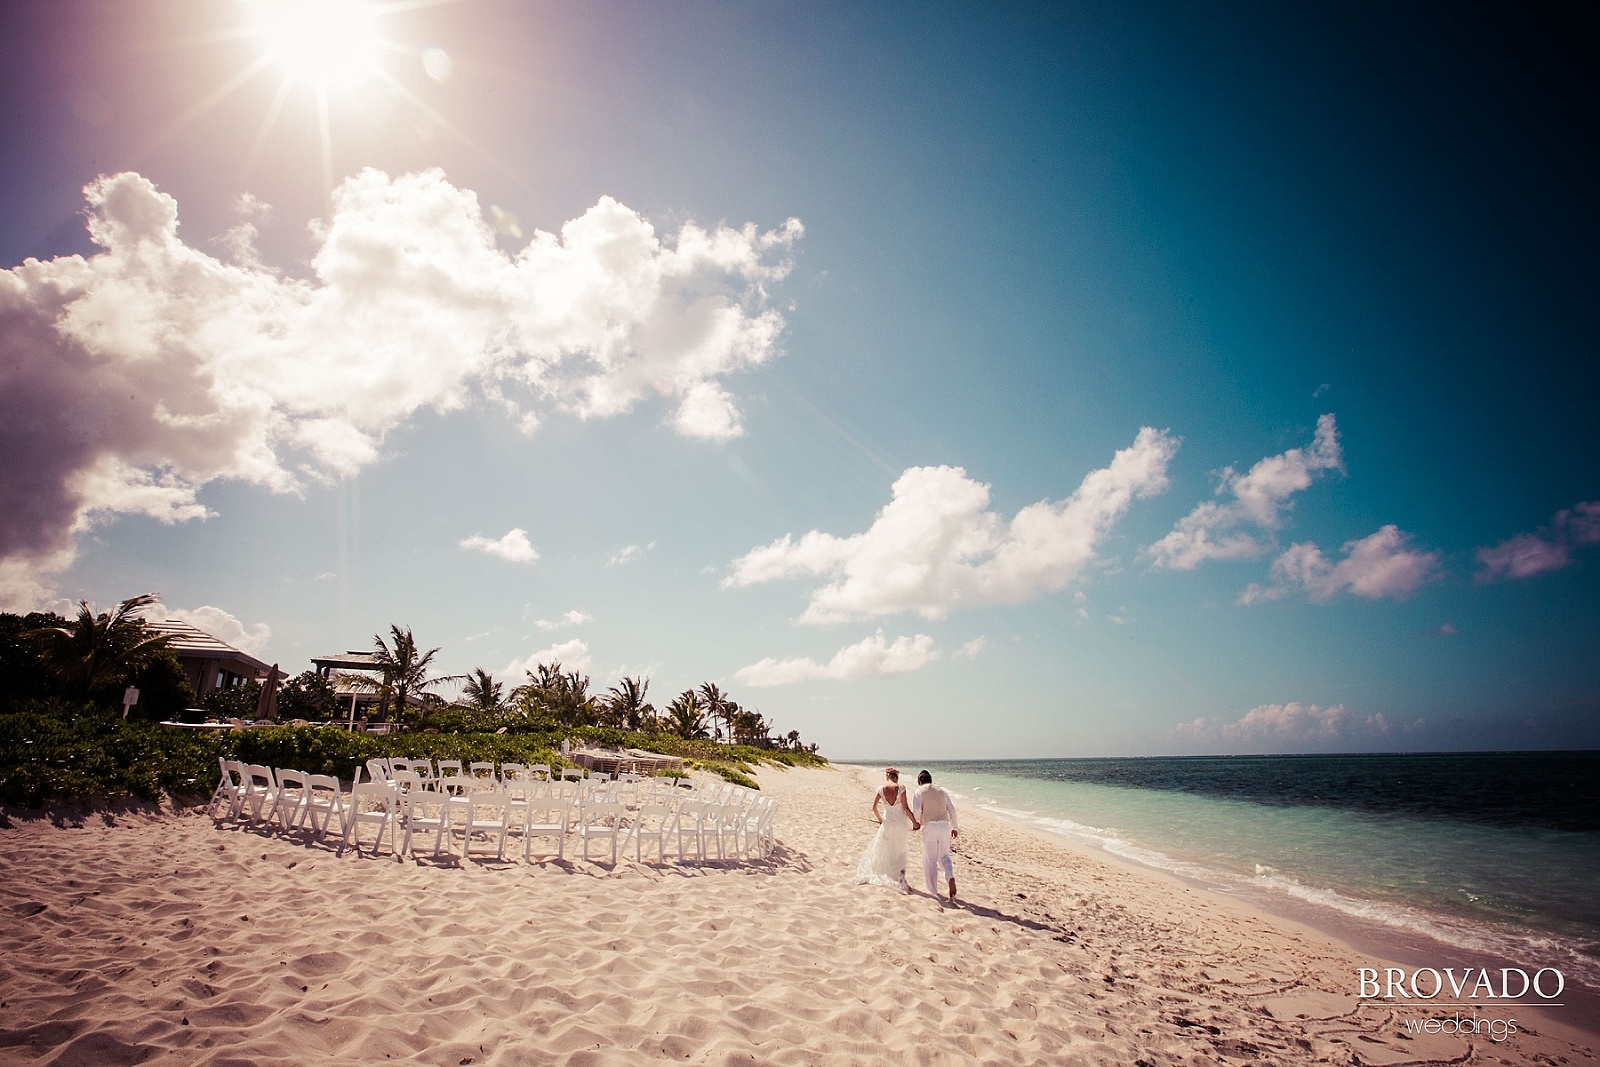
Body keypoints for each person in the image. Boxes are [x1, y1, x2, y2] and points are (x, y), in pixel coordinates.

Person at [855, 767, 920, 890]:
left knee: (885, 849)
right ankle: (900, 878)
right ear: (896, 777)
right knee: (900, 850)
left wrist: (880, 820)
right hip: (900, 824)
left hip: (887, 823)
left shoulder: (880, 789)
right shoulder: (901, 788)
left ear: (887, 776)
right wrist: (915, 822)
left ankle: (886, 874)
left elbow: (873, 808)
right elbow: (906, 809)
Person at [911, 769, 959, 902]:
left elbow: (917, 810)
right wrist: (955, 827)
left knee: (930, 859)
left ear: (920, 781)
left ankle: (933, 891)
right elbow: (951, 809)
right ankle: (950, 877)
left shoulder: (919, 791)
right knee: (944, 856)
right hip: (944, 826)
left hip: (930, 826)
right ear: (931, 780)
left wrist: (916, 823)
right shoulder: (942, 791)